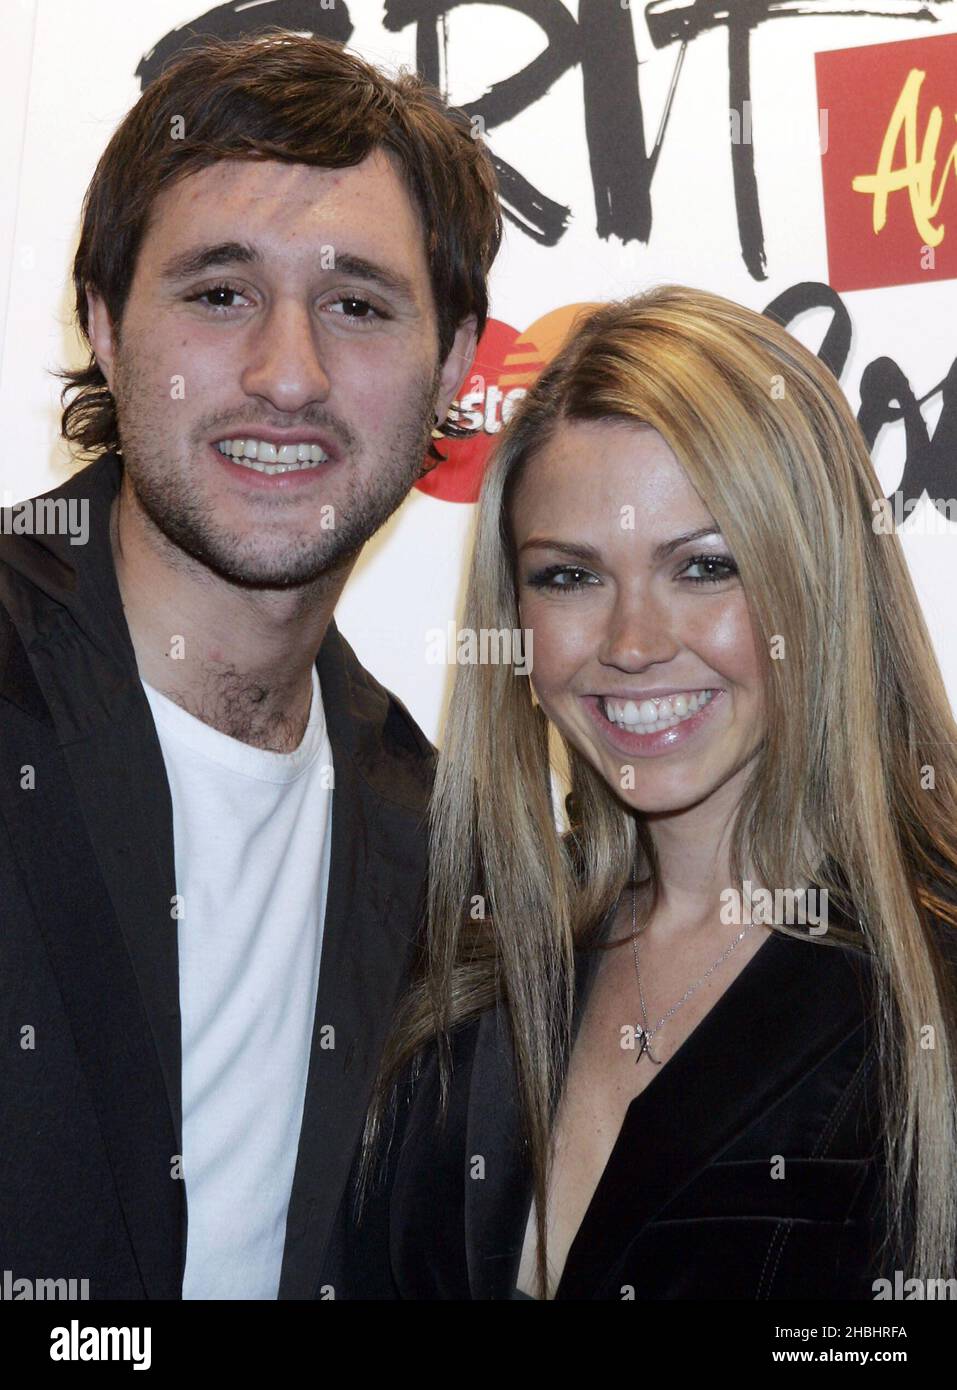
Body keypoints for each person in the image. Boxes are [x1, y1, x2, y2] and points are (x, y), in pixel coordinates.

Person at [0, 31, 501, 1299]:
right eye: (221, 294)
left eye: (358, 305)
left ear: (451, 363)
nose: (290, 374)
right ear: (105, 326)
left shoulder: (447, 845)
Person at [339, 284, 957, 1300]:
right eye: (570, 577)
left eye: (704, 567)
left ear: (822, 578)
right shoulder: (472, 983)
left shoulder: (929, 985)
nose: (631, 645)